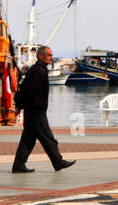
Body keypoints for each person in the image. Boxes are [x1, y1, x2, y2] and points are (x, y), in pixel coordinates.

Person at [12, 46, 76, 174]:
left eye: (51, 55)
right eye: (49, 55)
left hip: (33, 111)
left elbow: (24, 89)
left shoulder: (38, 70)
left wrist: (20, 105)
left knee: (28, 140)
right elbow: (27, 91)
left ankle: (18, 165)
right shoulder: (38, 71)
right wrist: (19, 105)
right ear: (40, 56)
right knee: (48, 139)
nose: (51, 58)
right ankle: (58, 162)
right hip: (36, 112)